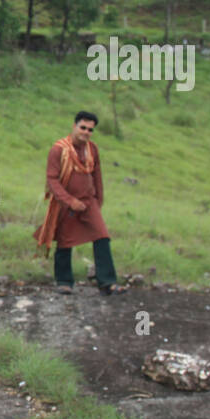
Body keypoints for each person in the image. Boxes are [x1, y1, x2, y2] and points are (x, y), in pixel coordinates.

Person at [33, 110, 126, 294]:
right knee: (65, 241)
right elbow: (52, 180)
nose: (86, 132)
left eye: (90, 130)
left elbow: (96, 174)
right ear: (74, 126)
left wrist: (98, 199)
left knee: (102, 236)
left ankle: (107, 282)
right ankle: (64, 282)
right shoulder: (59, 149)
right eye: (82, 127)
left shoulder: (92, 149)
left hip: (89, 201)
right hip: (66, 203)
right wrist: (69, 201)